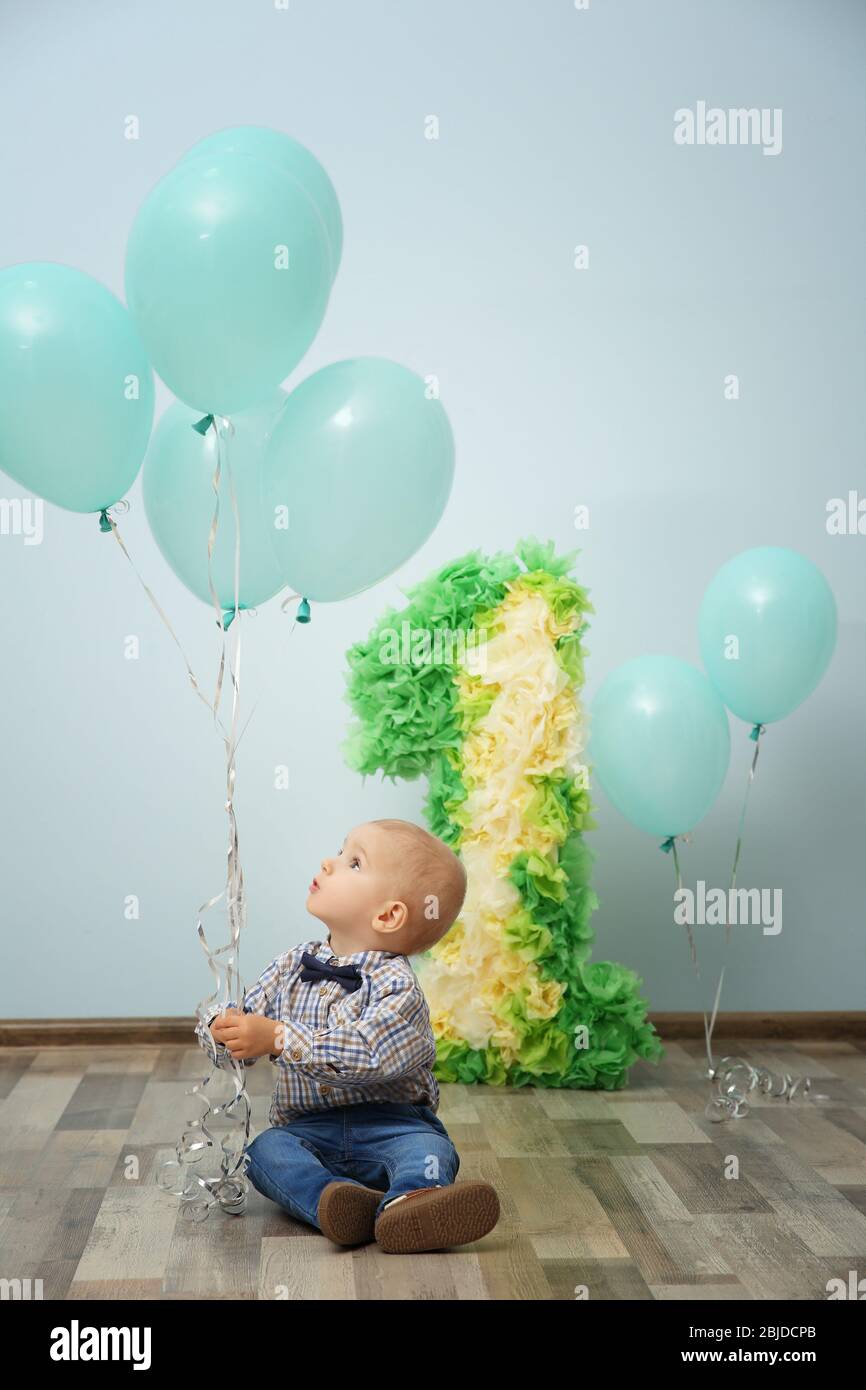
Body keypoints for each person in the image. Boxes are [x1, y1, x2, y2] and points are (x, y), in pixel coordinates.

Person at [198, 818, 500, 1253]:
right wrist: (224, 1031)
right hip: (308, 1131)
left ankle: (412, 1202)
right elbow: (245, 1038)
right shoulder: (290, 965)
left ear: (388, 914)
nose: (330, 862)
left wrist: (280, 1038)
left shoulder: (398, 987)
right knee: (266, 1153)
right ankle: (336, 1202)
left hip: (393, 1126)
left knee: (430, 1150)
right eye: (341, 851)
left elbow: (368, 1054)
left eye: (353, 862)